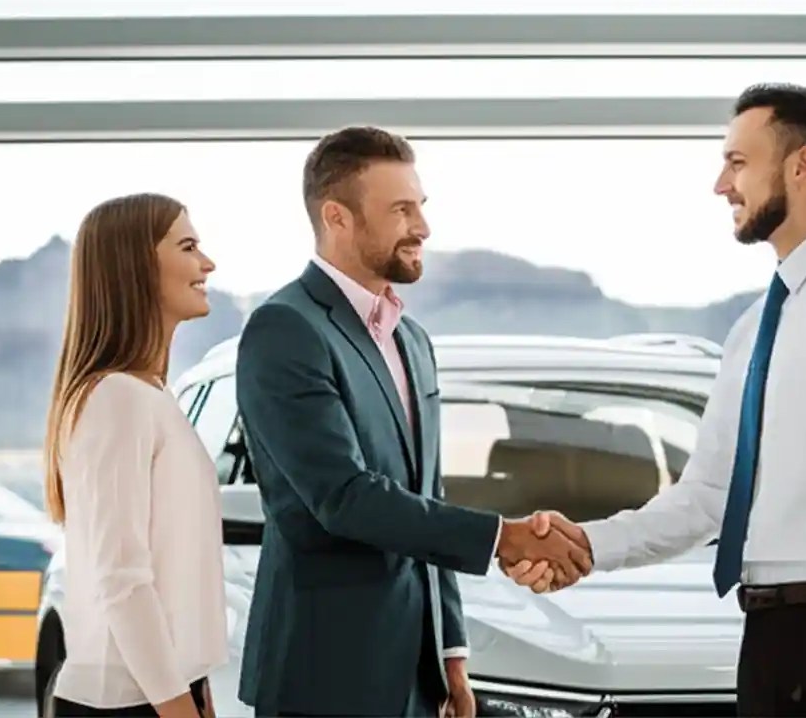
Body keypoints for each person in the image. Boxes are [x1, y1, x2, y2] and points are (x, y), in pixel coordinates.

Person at [506, 83, 806, 718]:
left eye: (738, 162)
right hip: (773, 642)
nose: (721, 184)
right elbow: (708, 497)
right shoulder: (753, 329)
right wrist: (588, 545)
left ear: (802, 165)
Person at [233, 126, 590, 718]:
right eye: (401, 210)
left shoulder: (413, 341)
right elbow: (344, 498)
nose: (421, 227)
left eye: (420, 207)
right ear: (337, 217)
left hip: (417, 680)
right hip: (324, 677)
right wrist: (504, 536)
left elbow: (426, 496)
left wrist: (451, 654)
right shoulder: (286, 330)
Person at [42, 193, 227, 718]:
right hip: (128, 702)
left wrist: (196, 691)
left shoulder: (150, 395)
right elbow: (121, 577)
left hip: (162, 693)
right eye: (188, 246)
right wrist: (177, 707)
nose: (207, 263)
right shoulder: (116, 398)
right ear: (136, 268)